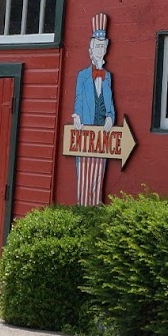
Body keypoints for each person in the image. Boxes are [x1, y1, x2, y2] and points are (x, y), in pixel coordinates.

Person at [71, 13, 115, 204]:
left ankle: (95, 206)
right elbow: (78, 99)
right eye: (97, 47)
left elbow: (109, 102)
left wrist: (110, 118)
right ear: (90, 51)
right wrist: (77, 117)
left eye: (102, 47)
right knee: (84, 173)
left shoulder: (107, 76)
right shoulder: (83, 76)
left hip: (101, 132)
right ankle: (82, 207)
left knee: (99, 173)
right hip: (86, 128)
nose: (99, 51)